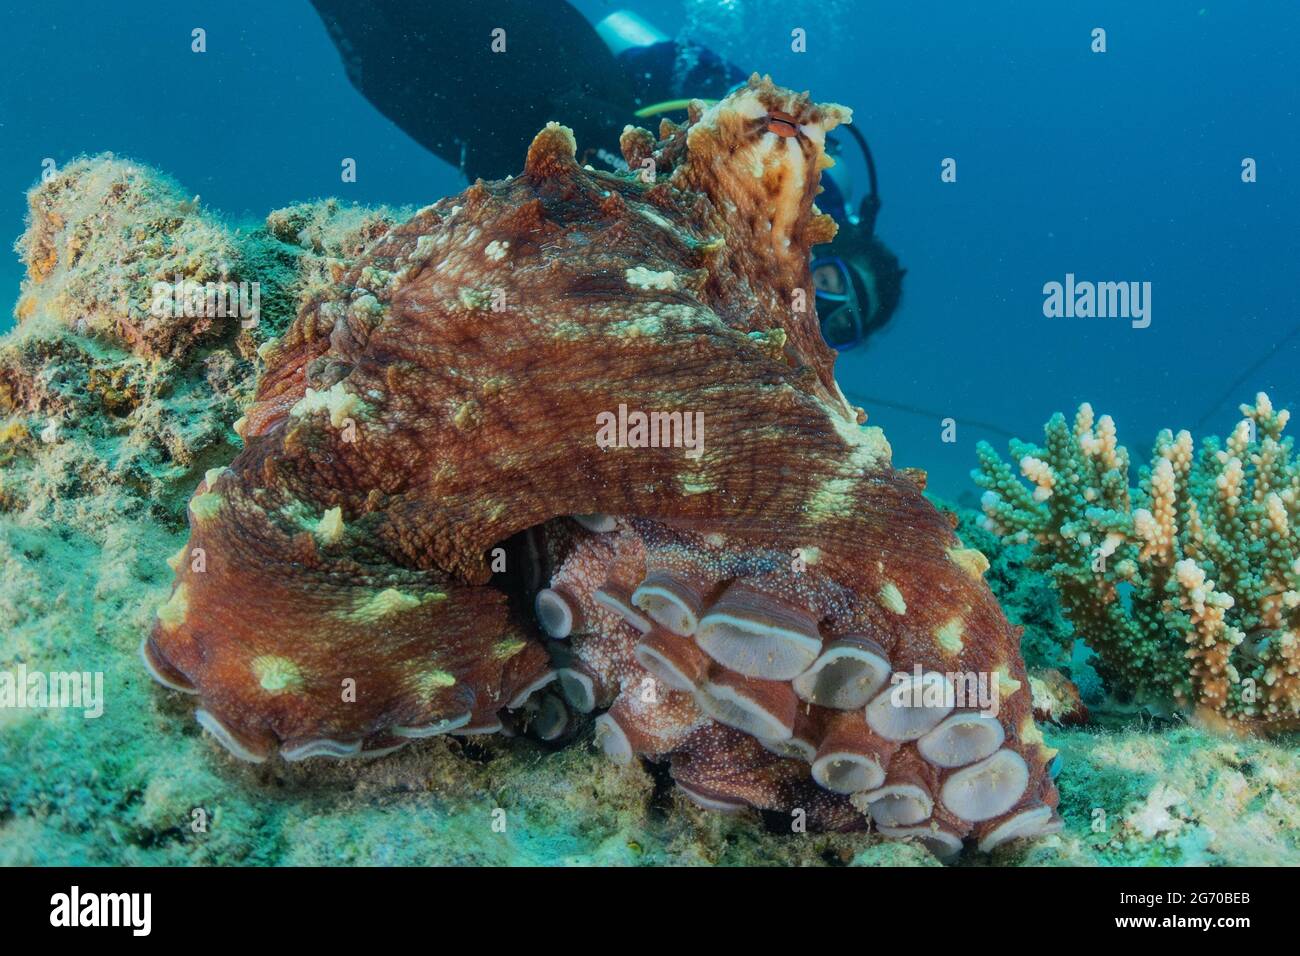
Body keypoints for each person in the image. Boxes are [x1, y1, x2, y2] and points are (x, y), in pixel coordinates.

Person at [309, 1, 903, 350]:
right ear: (841, 237)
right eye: (834, 281)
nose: (817, 303)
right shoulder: (791, 176)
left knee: (371, 50)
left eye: (838, 327)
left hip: (483, 139)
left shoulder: (732, 319)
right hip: (567, 71)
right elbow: (712, 98)